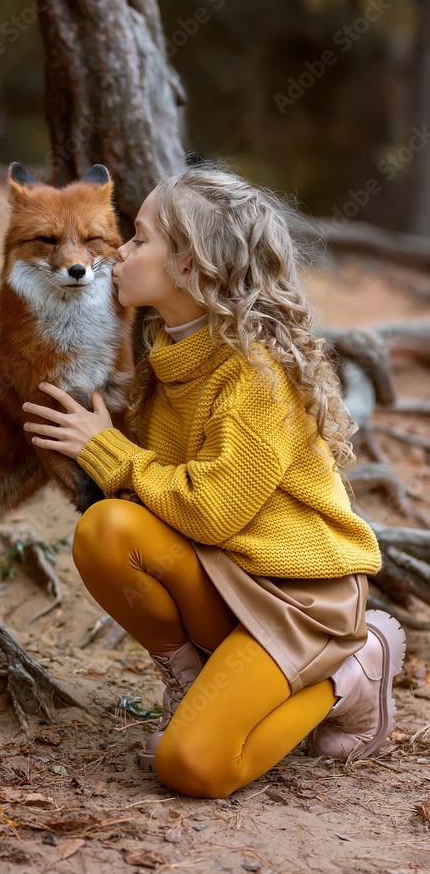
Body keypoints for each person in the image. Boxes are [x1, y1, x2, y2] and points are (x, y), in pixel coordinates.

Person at [20, 159, 405, 799]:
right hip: (226, 577)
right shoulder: (166, 353)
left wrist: (110, 452)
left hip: (299, 599)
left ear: (192, 268)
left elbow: (212, 511)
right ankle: (192, 678)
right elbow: (152, 498)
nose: (119, 250)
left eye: (139, 239)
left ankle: (353, 673)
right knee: (107, 530)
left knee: (192, 768)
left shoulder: (254, 375)